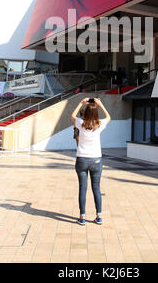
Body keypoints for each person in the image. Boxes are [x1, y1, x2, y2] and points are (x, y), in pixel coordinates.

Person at [71, 97, 111, 226]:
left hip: (82, 159)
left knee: (83, 188)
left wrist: (81, 103)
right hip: (96, 160)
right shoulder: (99, 124)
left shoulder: (80, 123)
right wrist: (100, 104)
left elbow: (72, 115)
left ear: (86, 112)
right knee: (96, 188)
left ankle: (82, 217)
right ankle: (99, 216)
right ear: (95, 113)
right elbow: (109, 117)